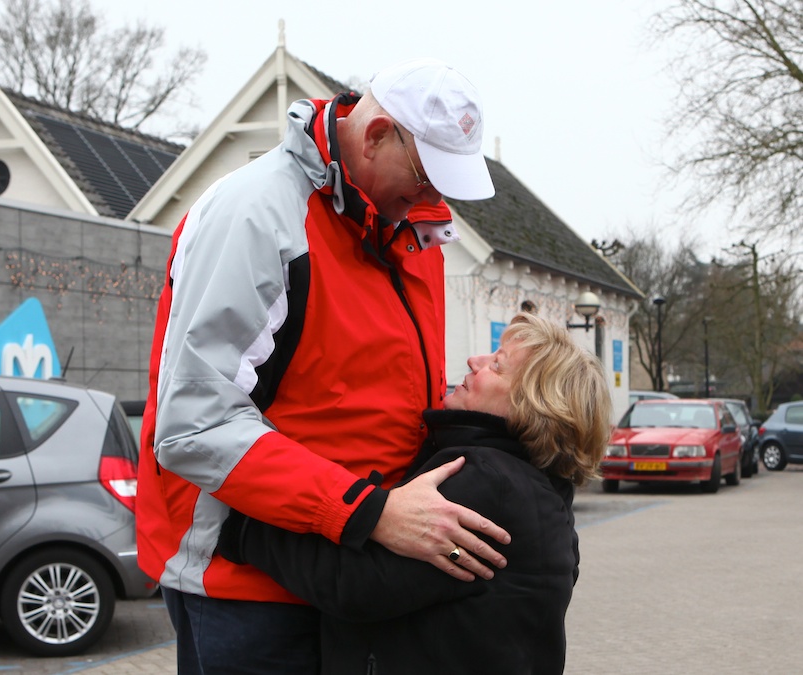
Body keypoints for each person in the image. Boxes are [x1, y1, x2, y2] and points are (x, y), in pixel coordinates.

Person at [136, 57, 508, 674]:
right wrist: (370, 512)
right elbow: (194, 427)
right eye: (424, 177)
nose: (433, 198)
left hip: (355, 571)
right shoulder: (256, 216)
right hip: (251, 587)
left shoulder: (413, 231)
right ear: (376, 134)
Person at [219, 312, 613, 674]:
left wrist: (246, 530)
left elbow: (358, 585)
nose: (475, 361)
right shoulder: (539, 490)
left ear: (532, 405)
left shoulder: (487, 482)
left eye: (497, 365)